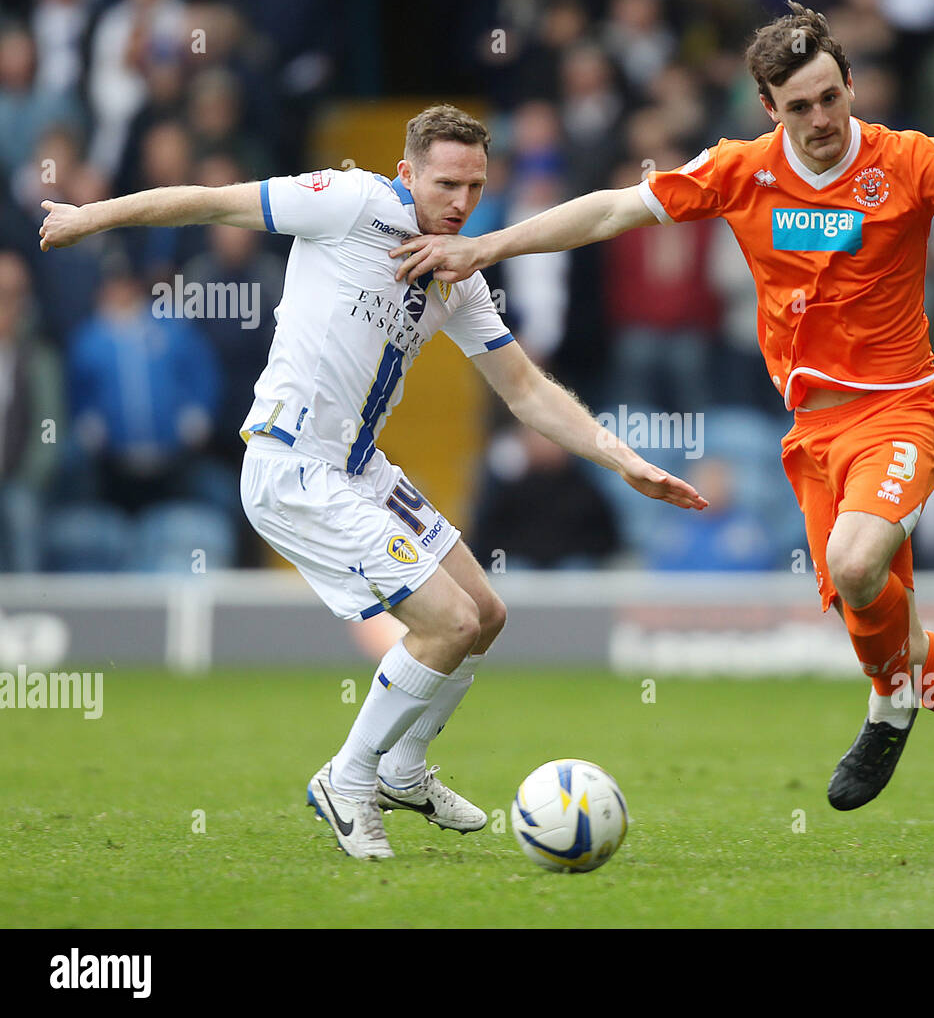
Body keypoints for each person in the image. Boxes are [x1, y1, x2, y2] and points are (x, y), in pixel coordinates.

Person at [390, 4, 934, 850]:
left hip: (905, 409)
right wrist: (484, 247)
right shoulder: (741, 170)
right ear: (769, 108)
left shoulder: (909, 162)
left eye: (831, 96)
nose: (822, 119)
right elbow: (613, 211)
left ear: (849, 84)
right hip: (812, 437)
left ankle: (886, 705)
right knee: (903, 641)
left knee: (853, 562)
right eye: (799, 106)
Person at [39, 104, 706, 860]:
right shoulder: (347, 201)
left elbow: (525, 392)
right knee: (447, 620)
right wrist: (91, 216)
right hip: (291, 466)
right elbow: (209, 200)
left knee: (485, 612)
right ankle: (348, 779)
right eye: (446, 183)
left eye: (475, 186)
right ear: (406, 173)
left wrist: (627, 461)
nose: (460, 202)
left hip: (359, 469)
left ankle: (405, 769)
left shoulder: (459, 269)